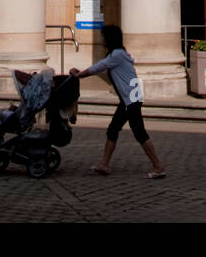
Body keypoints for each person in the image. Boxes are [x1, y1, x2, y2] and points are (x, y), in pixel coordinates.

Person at [70, 24, 165, 178]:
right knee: (113, 129)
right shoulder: (116, 54)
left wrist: (79, 75)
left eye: (103, 36)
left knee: (139, 133)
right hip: (129, 99)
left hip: (130, 100)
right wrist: (80, 74)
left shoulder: (117, 56)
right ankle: (104, 164)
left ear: (109, 38)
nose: (101, 39)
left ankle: (158, 166)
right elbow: (101, 66)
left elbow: (97, 68)